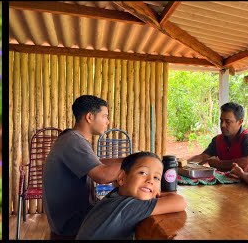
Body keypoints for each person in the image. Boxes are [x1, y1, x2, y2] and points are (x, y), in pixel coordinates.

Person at [42, 95, 127, 240]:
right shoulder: (74, 141)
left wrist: (128, 159)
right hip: (71, 224)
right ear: (89, 117)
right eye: (104, 116)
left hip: (69, 219)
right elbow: (102, 176)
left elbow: (97, 162)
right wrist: (138, 165)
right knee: (131, 217)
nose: (108, 121)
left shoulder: (71, 138)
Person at [75, 152, 186, 239]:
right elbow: (180, 201)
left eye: (156, 178)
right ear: (122, 178)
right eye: (143, 173)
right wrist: (155, 192)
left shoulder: (115, 196)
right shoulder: (128, 206)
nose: (150, 180)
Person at [187, 102, 248, 169]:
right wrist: (182, 163)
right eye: (221, 121)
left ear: (240, 122)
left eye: (228, 122)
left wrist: (220, 164)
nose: (222, 125)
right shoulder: (217, 140)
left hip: (243, 182)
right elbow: (203, 157)